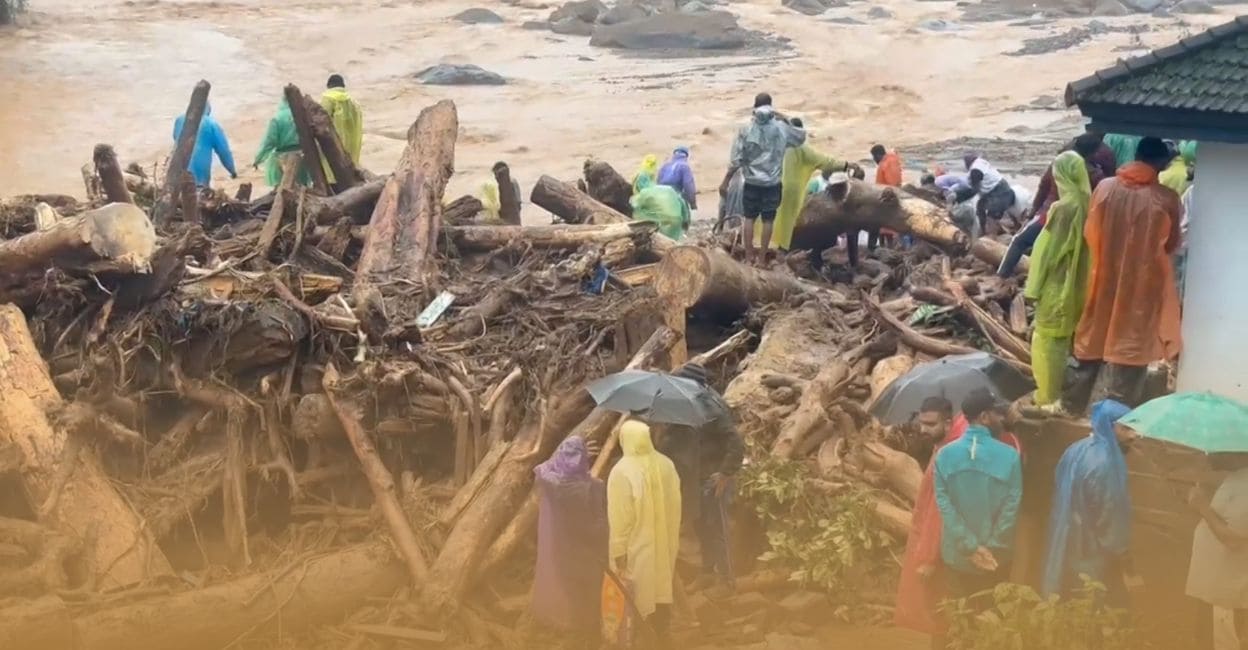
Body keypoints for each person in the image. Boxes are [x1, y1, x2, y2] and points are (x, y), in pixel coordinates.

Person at [1072, 137, 1183, 409]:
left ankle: (1072, 403)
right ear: (1161, 163)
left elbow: (1091, 230)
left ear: (1136, 154)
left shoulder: (1105, 188)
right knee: (1132, 344)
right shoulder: (1166, 198)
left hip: (1103, 274)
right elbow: (1171, 243)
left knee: (1093, 335)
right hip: (1141, 282)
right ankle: (1118, 412)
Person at [932, 389, 1023, 606]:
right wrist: (992, 546)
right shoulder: (1010, 456)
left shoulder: (944, 455)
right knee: (991, 616)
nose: (1001, 418)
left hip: (957, 555)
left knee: (960, 613)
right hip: (996, 558)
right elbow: (1012, 505)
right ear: (984, 417)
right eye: (996, 413)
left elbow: (944, 505)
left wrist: (970, 546)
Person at [1040, 400, 1135, 607]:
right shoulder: (1106, 465)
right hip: (1091, 549)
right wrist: (1125, 558)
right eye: (1126, 428)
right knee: (1092, 601)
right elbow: (1109, 517)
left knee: (1064, 597)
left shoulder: (1077, 449)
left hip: (1064, 537)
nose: (1133, 435)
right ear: (1108, 427)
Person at [1023, 151, 1093, 413]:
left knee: (1046, 343)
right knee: (1067, 343)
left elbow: (1045, 252)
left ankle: (1046, 396)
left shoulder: (1061, 209)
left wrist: (1033, 289)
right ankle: (1062, 393)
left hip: (1057, 285)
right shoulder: (1090, 203)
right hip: (1080, 285)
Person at [669, 363, 743, 594]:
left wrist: (725, 473)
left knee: (717, 527)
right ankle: (707, 572)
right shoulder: (689, 405)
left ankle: (727, 580)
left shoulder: (711, 406)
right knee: (701, 525)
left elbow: (736, 442)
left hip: (714, 478)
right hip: (697, 478)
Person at [895, 397, 963, 649]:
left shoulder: (949, 454)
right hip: (943, 543)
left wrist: (928, 558)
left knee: (938, 610)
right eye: (921, 422)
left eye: (930, 424)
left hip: (942, 547)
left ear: (948, 422)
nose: (923, 429)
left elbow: (939, 511)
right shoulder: (942, 445)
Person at [608, 420, 681, 648]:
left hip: (636, 546)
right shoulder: (666, 464)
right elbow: (676, 503)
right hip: (665, 540)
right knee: (661, 585)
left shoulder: (621, 471)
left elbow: (621, 519)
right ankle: (662, 633)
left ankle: (636, 637)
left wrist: (618, 551)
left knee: (635, 592)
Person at [532, 437, 608, 648]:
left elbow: (541, 467)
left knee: (573, 594)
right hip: (588, 553)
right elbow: (596, 526)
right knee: (590, 596)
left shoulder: (552, 482)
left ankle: (577, 635)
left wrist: (565, 454)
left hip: (562, 552)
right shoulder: (592, 487)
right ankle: (590, 638)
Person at [1000, 133, 1107, 278]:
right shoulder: (1096, 173)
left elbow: (1043, 187)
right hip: (1079, 220)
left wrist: (1033, 211)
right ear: (1094, 152)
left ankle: (1002, 275)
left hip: (1049, 214)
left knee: (1019, 241)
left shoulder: (1059, 163)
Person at [720, 94, 807, 266]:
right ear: (771, 107)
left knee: (749, 218)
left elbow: (736, 160)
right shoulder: (781, 128)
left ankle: (748, 257)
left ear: (754, 107)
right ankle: (761, 259)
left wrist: (726, 181)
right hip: (773, 183)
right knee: (768, 220)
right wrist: (785, 118)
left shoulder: (745, 129)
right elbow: (801, 137)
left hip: (751, 182)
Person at [757, 117, 852, 256]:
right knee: (788, 222)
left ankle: (765, 249)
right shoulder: (800, 147)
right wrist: (845, 165)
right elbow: (824, 161)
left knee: (771, 219)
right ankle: (782, 251)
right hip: (791, 191)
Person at [1186, 453, 1248, 650]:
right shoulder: (1238, 477)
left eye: (1217, 449)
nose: (1209, 453)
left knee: (1220, 643)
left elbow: (1233, 538)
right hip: (1216, 588)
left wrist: (1202, 507)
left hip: (1227, 595)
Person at [172, 103, 237, 187]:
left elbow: (175, 138)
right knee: (199, 194)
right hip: (200, 176)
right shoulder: (211, 124)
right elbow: (224, 151)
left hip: (177, 171)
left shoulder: (179, 121)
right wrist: (232, 171)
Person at [253, 98, 309, 188]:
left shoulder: (277, 118)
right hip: (303, 157)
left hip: (282, 159)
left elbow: (269, 142)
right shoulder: (304, 115)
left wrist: (257, 159)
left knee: (281, 189)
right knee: (302, 187)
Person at [320, 74, 363, 182]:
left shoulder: (328, 99)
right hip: (351, 144)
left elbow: (320, 121)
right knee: (348, 172)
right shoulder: (353, 102)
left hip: (334, 144)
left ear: (328, 86)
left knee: (331, 173)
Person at [960, 154, 1017, 236]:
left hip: (1000, 193)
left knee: (991, 217)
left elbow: (974, 190)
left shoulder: (975, 170)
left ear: (968, 163)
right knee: (980, 206)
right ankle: (983, 232)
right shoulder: (980, 163)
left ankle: (992, 238)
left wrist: (960, 198)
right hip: (1002, 189)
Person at [871, 144, 903, 247]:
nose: (874, 159)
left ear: (878, 155)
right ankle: (887, 246)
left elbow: (892, 183)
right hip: (893, 195)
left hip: (887, 198)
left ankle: (887, 247)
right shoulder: (893, 159)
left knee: (886, 226)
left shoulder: (885, 164)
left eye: (874, 156)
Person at [658, 146, 698, 211]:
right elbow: (689, 186)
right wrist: (693, 203)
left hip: (661, 197)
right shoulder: (685, 166)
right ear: (686, 156)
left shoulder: (665, 166)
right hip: (675, 197)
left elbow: (658, 182)